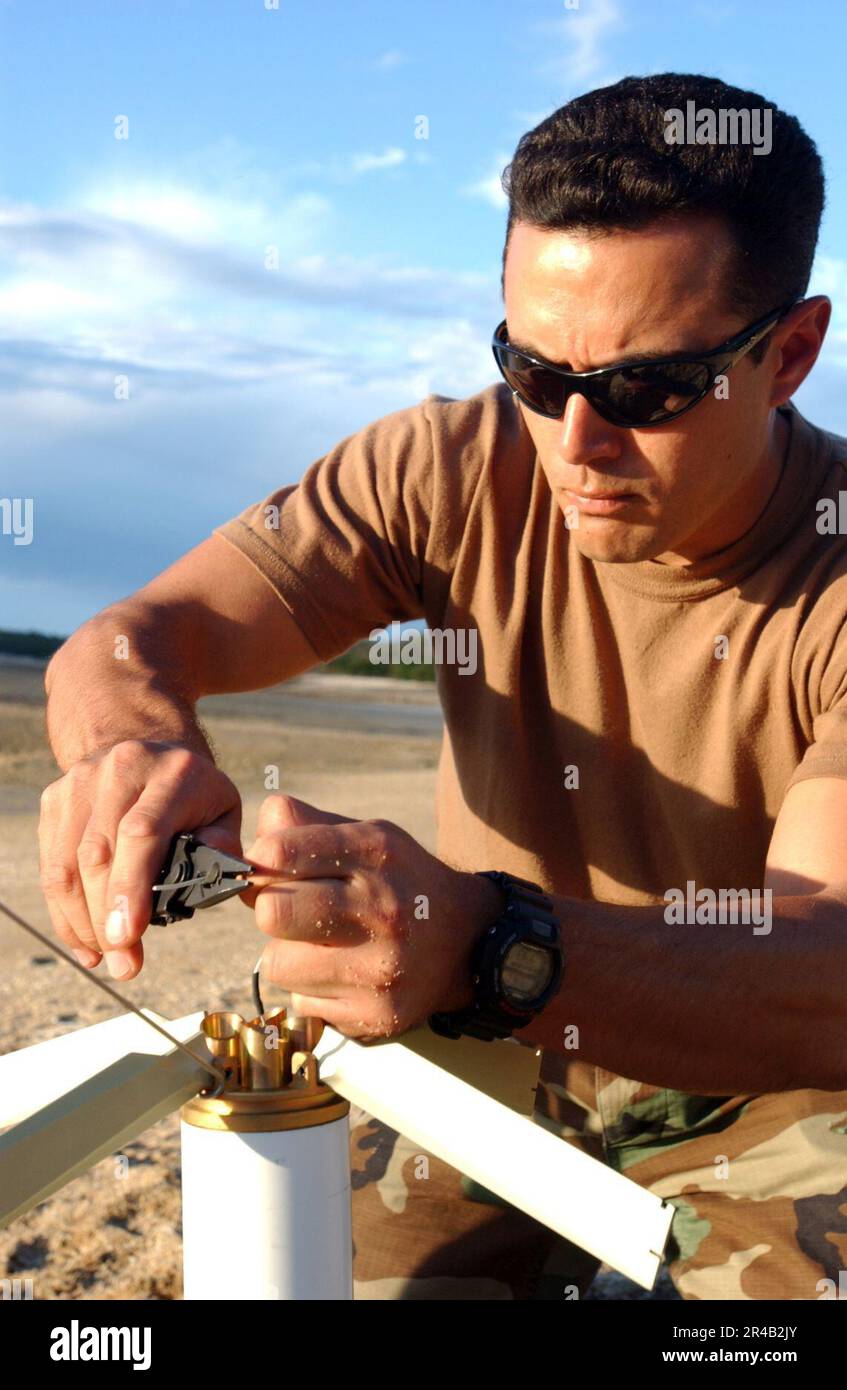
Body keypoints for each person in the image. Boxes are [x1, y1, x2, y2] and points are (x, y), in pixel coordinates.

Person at [40, 72, 846, 1301]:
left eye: (646, 390)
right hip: (486, 1048)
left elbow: (825, 967)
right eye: (531, 369)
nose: (574, 442)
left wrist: (488, 943)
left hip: (773, 1085)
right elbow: (136, 636)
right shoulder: (450, 465)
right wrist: (126, 751)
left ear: (789, 355)